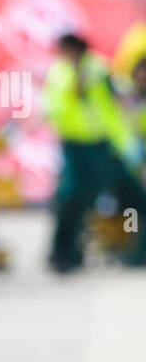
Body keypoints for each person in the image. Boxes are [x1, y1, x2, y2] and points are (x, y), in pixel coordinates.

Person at [42, 33, 146, 272]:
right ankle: (65, 255)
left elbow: (114, 108)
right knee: (72, 201)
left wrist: (128, 146)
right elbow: (56, 108)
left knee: (133, 202)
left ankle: (133, 247)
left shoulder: (99, 69)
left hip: (106, 147)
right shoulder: (60, 74)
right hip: (77, 148)